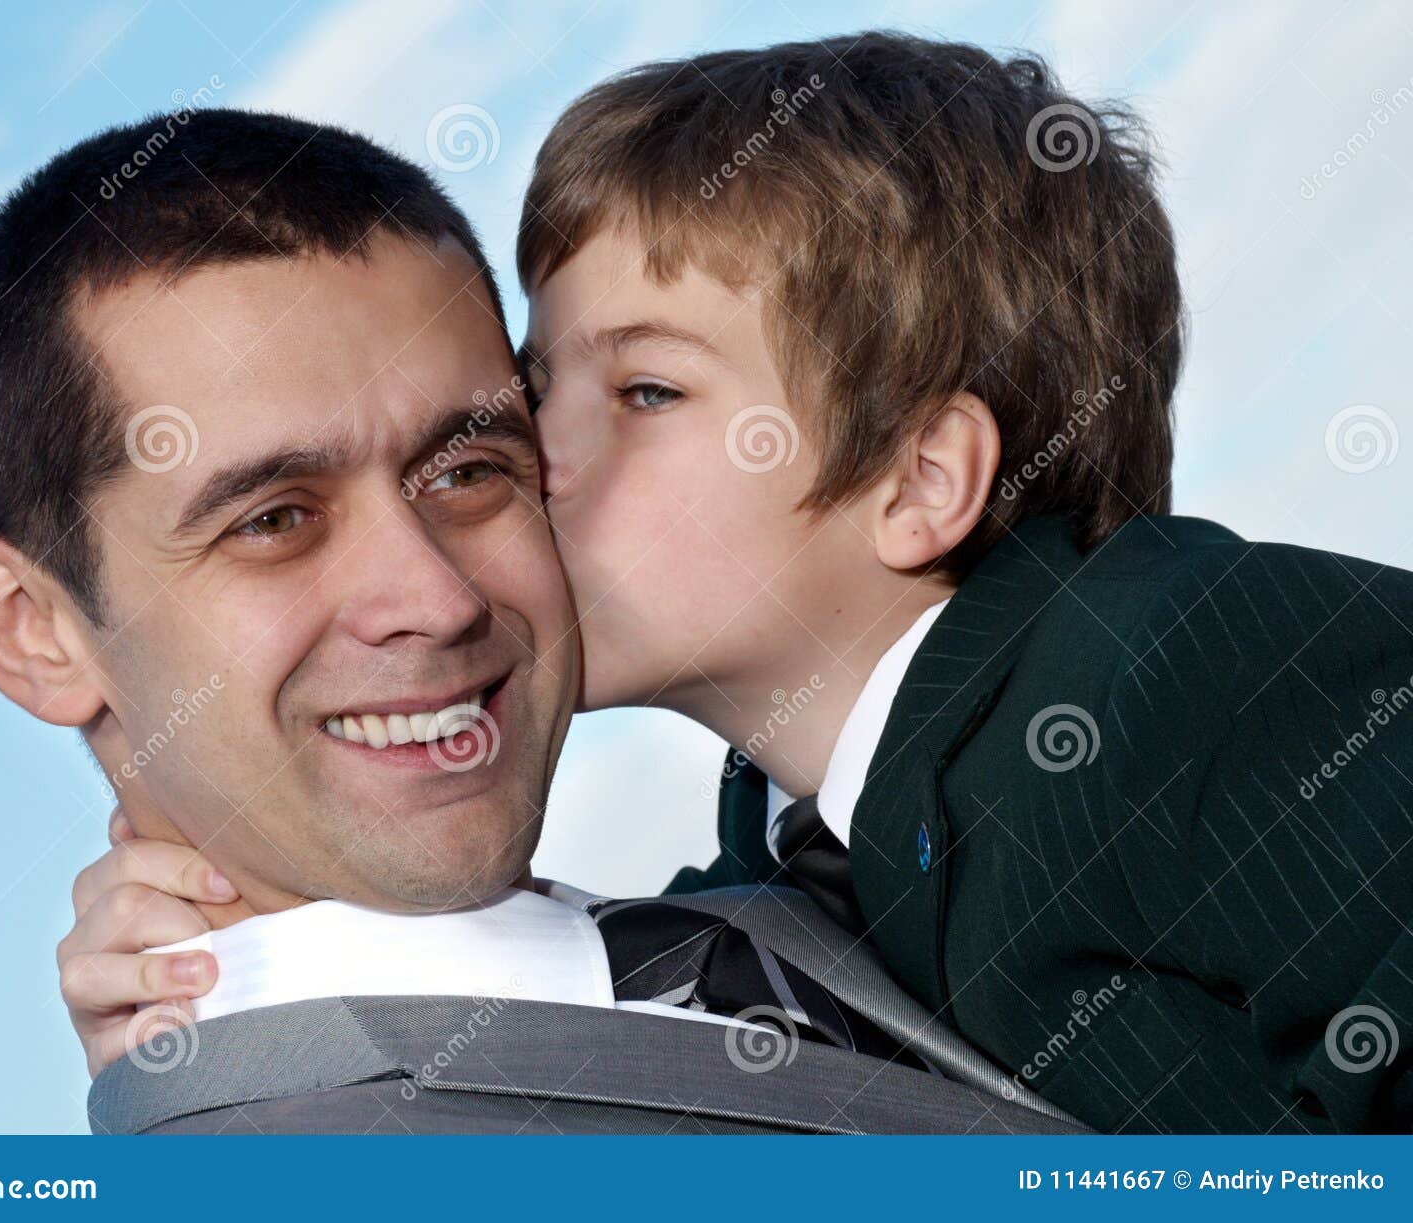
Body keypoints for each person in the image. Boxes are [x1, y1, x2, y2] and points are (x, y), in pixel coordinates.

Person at [70, 32, 1413, 1133]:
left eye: (645, 390)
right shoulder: (783, 854)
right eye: (538, 392)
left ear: (917, 480)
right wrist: (253, 941)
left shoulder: (1177, 666)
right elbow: (618, 1024)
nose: (537, 459)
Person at [0, 108, 1072, 1134]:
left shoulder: (798, 894)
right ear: (32, 630)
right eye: (274, 519)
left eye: (469, 469)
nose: (435, 598)